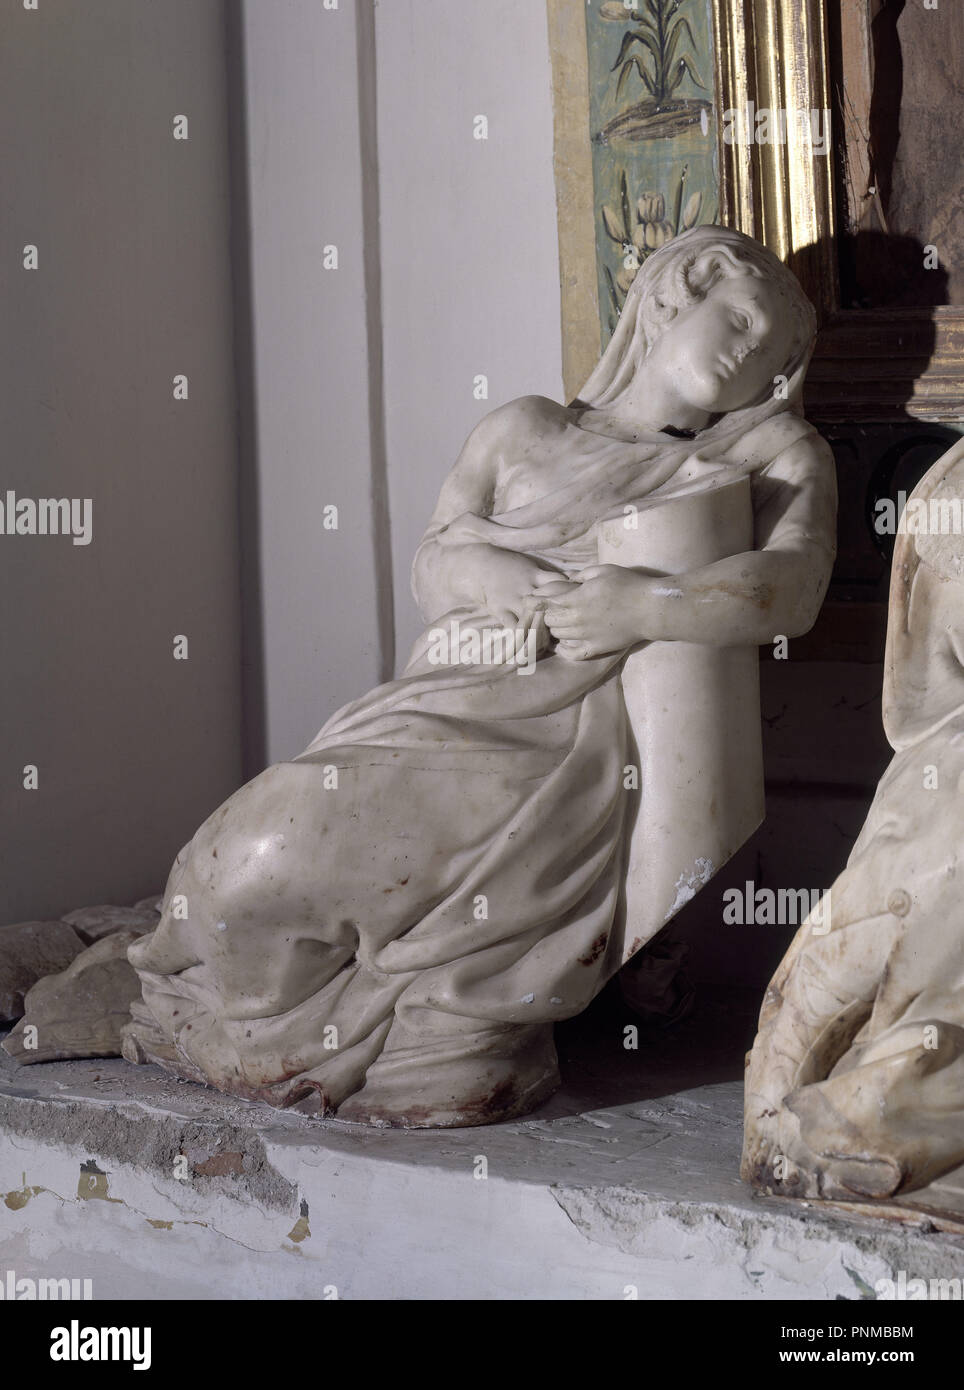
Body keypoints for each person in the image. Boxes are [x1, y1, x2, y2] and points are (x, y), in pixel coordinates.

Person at [123, 226, 837, 1127]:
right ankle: (258, 1004)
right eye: (738, 319)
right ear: (671, 297)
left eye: (768, 355)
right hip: (446, 695)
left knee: (271, 860)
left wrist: (643, 608)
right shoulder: (525, 429)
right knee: (231, 870)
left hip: (570, 746)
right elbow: (433, 563)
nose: (747, 355)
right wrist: (487, 573)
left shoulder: (764, 458)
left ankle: (409, 1009)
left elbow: (794, 586)